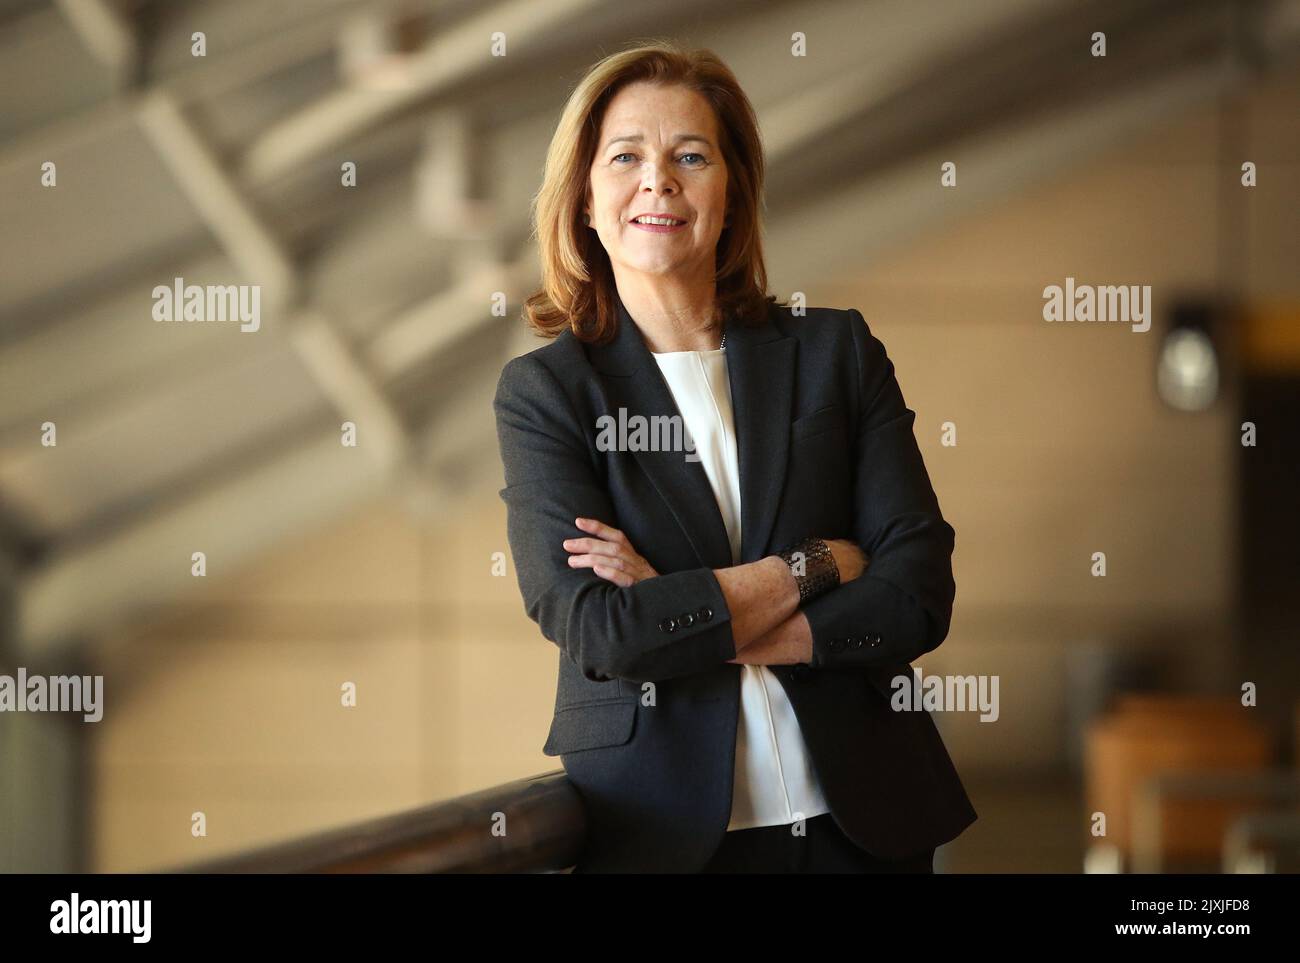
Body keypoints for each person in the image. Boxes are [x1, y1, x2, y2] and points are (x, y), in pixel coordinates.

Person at [493, 41, 976, 873]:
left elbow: (917, 591)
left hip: (867, 823)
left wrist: (686, 613)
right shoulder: (547, 395)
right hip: (668, 835)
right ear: (583, 198)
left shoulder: (837, 352)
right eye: (625, 157)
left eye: (690, 155)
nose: (659, 181)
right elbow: (602, 628)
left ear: (730, 193)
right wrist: (815, 566)